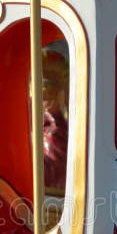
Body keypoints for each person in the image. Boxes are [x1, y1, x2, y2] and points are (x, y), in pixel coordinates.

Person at [41, 48, 69, 190]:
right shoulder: (42, 127)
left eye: (46, 95)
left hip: (52, 199)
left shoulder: (55, 131)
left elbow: (53, 173)